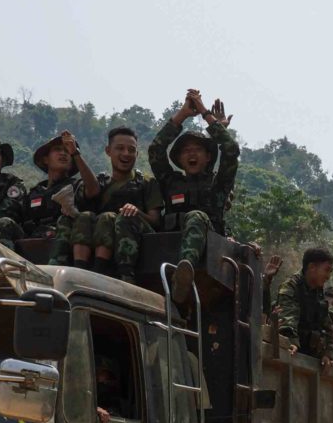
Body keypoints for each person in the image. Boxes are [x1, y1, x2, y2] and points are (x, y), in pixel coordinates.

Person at [151, 89, 240, 304]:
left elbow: (230, 149)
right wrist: (182, 113)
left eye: (197, 150)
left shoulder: (218, 185)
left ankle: (185, 272)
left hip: (209, 252)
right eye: (186, 151)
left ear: (208, 156)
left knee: (197, 216)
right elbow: (156, 149)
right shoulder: (170, 181)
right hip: (167, 245)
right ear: (179, 159)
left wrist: (204, 113)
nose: (191, 154)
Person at [82, 126, 164, 278]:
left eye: (131, 150)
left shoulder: (146, 183)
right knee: (93, 218)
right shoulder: (99, 184)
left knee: (126, 217)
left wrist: (137, 213)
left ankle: (126, 274)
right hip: (102, 240)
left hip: (140, 243)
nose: (126, 154)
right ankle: (88, 270)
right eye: (120, 148)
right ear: (108, 151)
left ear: (137, 154)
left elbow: (155, 221)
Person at [270, 247, 333, 359]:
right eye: (326, 270)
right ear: (312, 267)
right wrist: (291, 342)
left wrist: (327, 353)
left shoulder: (318, 292)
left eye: (330, 272)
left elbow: (328, 325)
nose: (328, 276)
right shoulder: (291, 286)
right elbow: (288, 317)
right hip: (292, 351)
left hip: (309, 355)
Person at [25, 132, 101, 261]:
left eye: (67, 151)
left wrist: (75, 153)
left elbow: (93, 190)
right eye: (57, 150)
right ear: (45, 159)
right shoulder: (34, 192)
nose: (63, 153)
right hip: (34, 244)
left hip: (65, 245)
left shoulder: (75, 186)